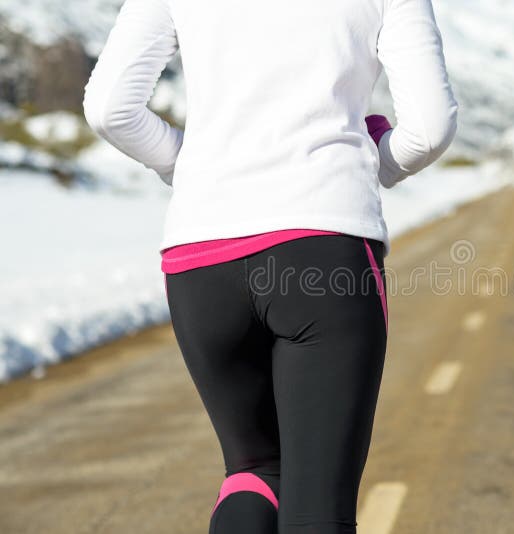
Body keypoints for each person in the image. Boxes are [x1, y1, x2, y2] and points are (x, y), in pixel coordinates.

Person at [82, 0, 458, 532]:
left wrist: (185, 166)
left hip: (200, 258)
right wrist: (381, 161)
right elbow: (430, 127)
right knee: (316, 512)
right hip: (324, 248)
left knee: (253, 471)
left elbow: (109, 108)